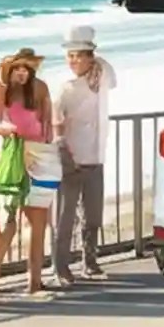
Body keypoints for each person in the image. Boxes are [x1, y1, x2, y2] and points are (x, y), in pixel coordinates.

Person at [0, 48, 57, 297]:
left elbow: (48, 126)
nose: (22, 73)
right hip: (12, 160)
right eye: (18, 68)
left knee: (37, 224)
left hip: (40, 158)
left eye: (26, 68)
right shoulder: (2, 93)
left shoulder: (40, 89)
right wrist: (4, 129)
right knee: (8, 224)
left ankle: (34, 281)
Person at [52, 25, 117, 284]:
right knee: (66, 216)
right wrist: (64, 154)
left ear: (91, 57)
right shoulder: (64, 87)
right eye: (70, 56)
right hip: (71, 158)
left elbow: (112, 74)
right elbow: (56, 123)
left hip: (95, 154)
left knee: (93, 215)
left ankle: (89, 263)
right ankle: (60, 268)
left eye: (79, 55)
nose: (74, 61)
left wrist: (93, 52)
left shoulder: (101, 76)